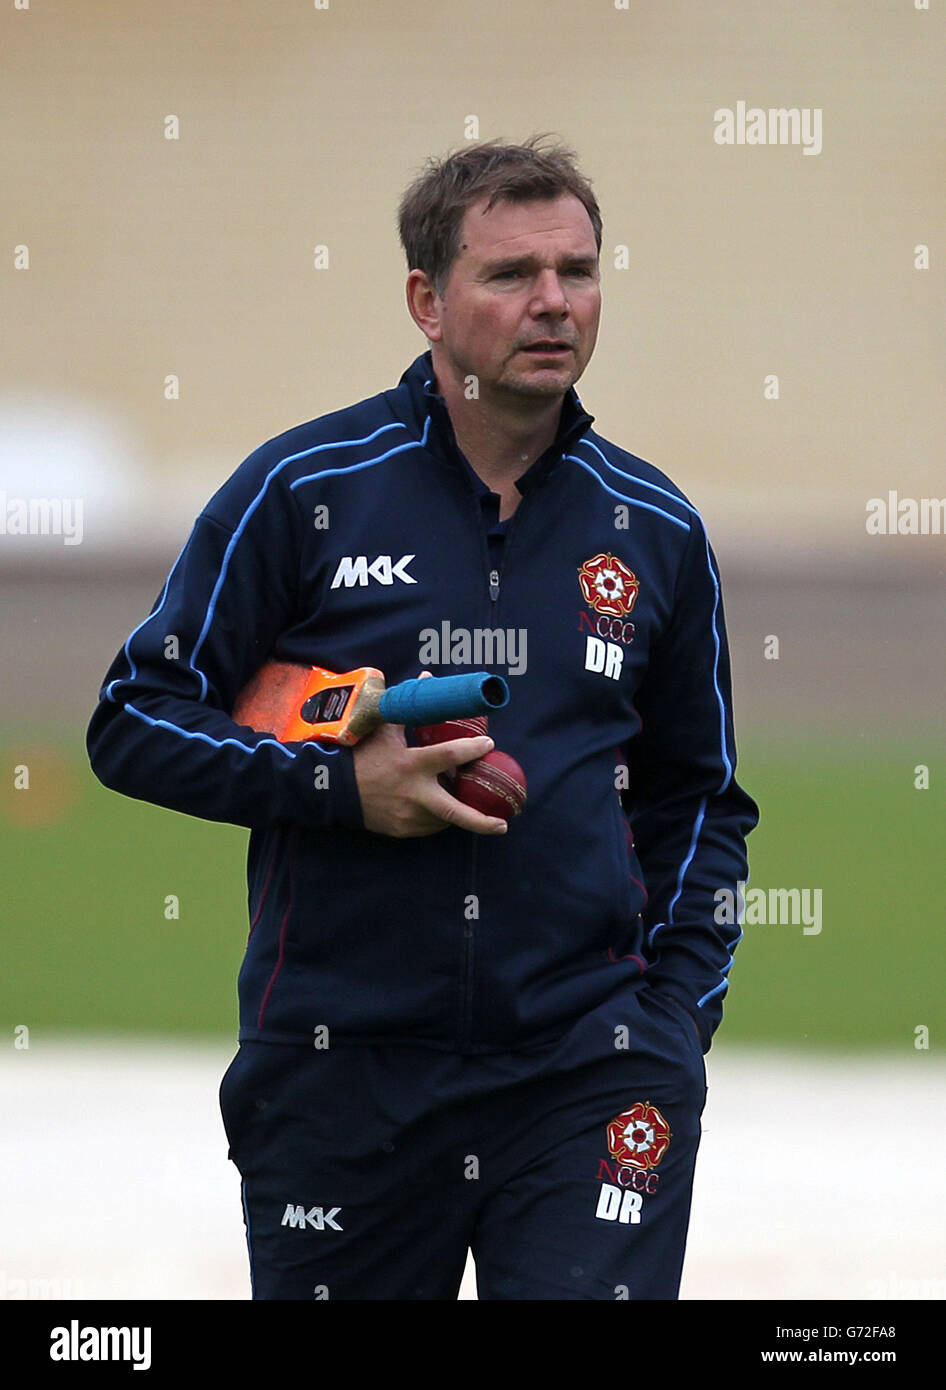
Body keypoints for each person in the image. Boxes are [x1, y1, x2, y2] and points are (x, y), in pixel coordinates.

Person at [87, 135, 759, 1301]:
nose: (553, 302)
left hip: (587, 1071)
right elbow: (134, 716)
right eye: (510, 275)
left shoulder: (654, 526)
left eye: (578, 271)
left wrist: (670, 1027)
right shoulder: (302, 490)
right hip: (339, 1073)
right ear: (427, 302)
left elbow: (699, 798)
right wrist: (339, 790)